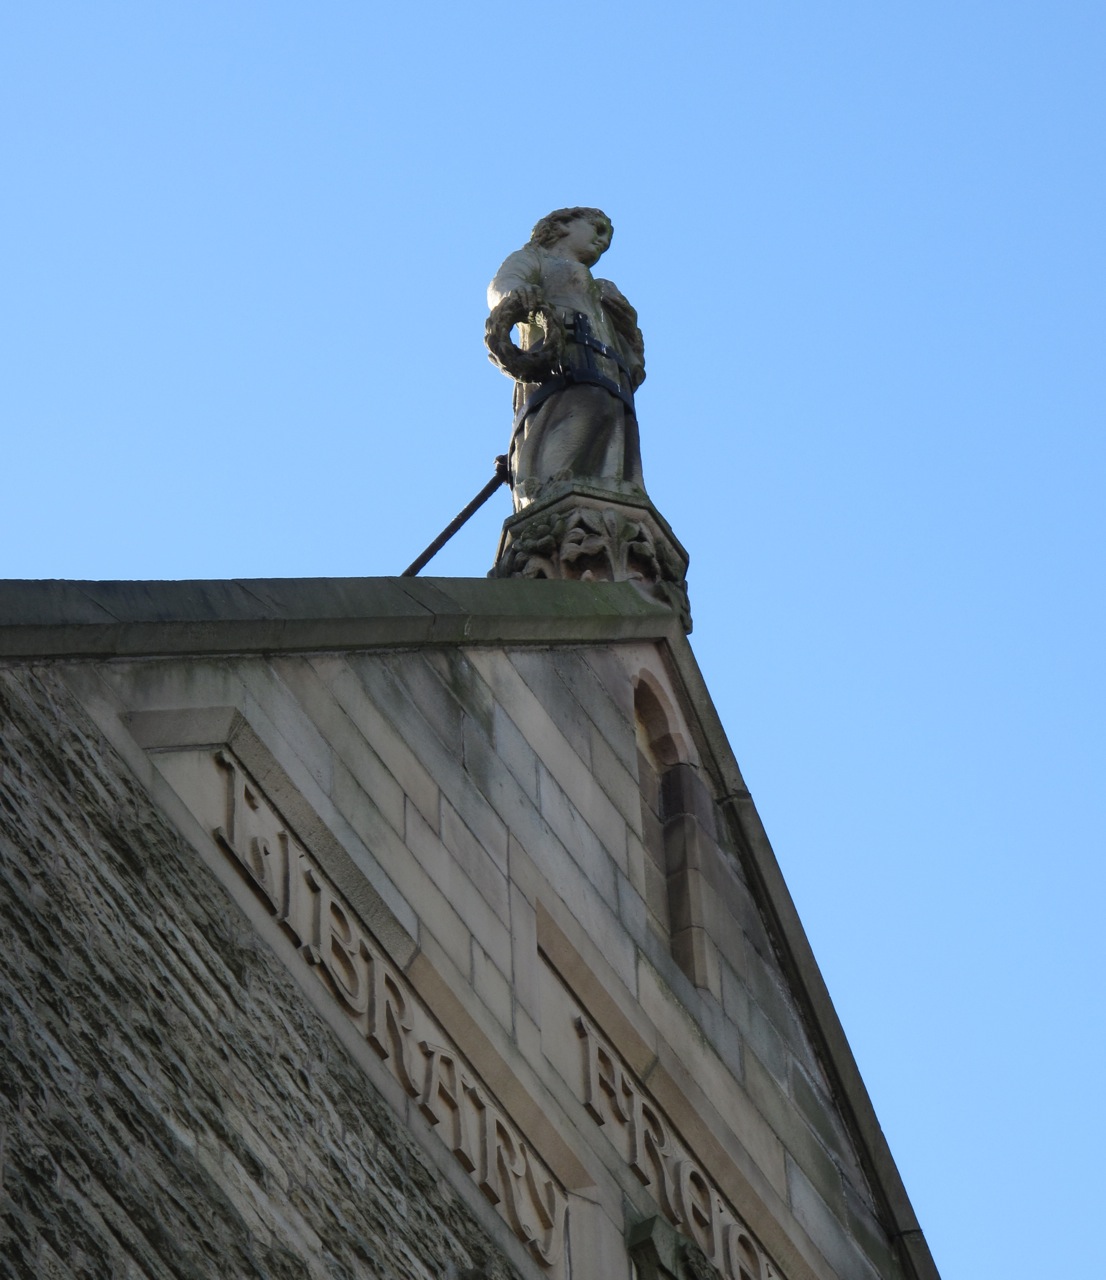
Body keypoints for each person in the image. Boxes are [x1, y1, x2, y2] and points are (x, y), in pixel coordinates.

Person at [487, 208, 647, 509]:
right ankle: (551, 489)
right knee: (581, 411)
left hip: (606, 366)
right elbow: (501, 287)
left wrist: (624, 319)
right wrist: (520, 294)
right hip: (560, 361)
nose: (602, 242)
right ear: (561, 225)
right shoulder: (537, 259)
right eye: (597, 229)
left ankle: (602, 494)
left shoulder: (602, 286)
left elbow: (630, 347)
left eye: (606, 241)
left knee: (609, 419)